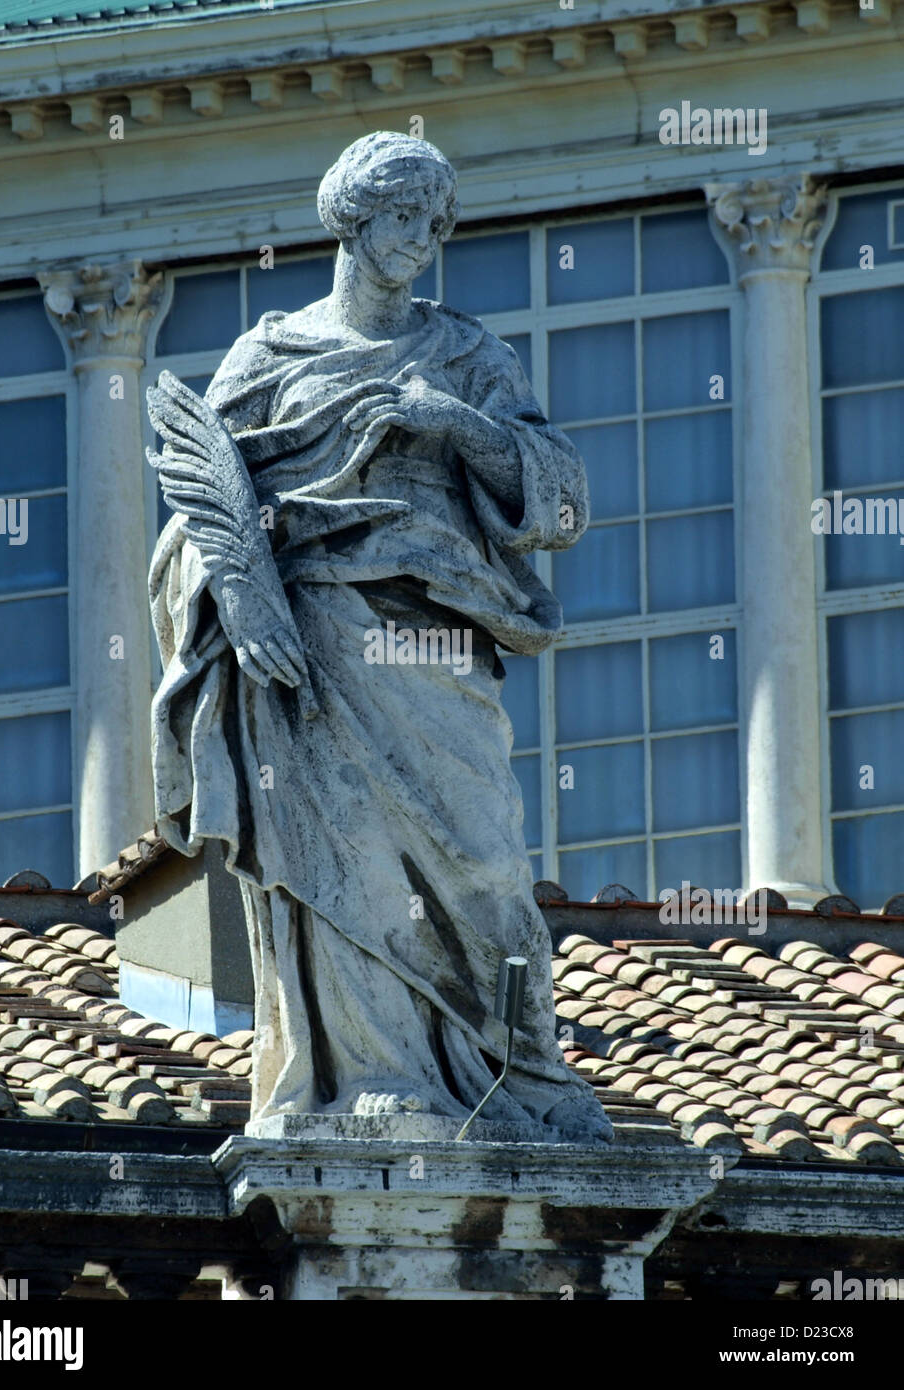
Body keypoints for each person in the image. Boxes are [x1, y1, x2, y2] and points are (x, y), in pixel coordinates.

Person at [148, 130, 610, 1141]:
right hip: (314, 652)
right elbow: (197, 514)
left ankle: (515, 1070)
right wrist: (242, 598)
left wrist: (453, 423)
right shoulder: (270, 357)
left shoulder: (467, 355)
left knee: (481, 861)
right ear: (352, 219)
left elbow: (563, 506)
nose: (423, 239)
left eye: (437, 222)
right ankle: (373, 1077)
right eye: (404, 214)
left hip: (439, 651)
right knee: (345, 859)